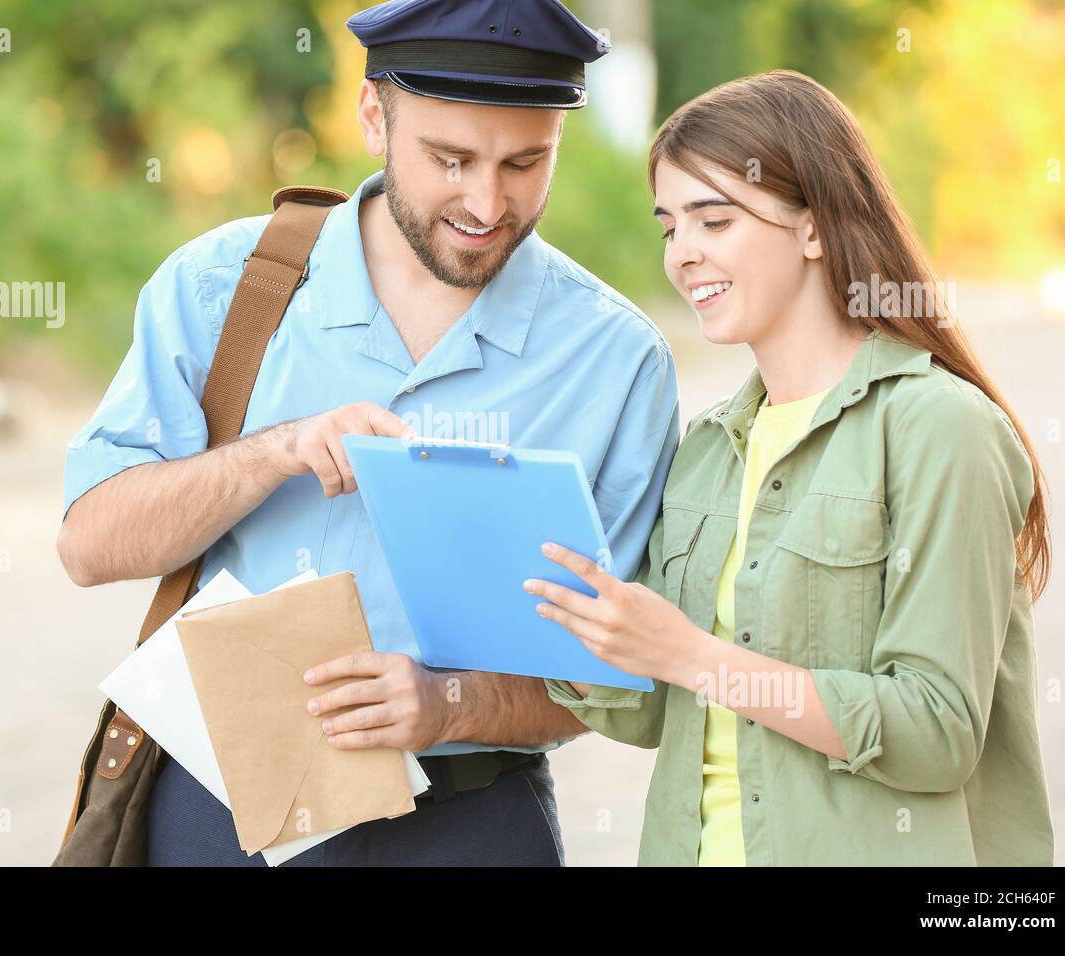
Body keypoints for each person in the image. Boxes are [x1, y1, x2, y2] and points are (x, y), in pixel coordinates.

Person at [57, 0, 679, 866]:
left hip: (473, 826)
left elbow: (619, 678)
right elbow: (90, 546)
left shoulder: (617, 362)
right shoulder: (219, 288)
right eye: (449, 159)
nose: (486, 201)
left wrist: (450, 703)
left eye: (525, 162)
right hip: (221, 813)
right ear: (372, 116)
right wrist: (274, 452)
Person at [531, 70, 1054, 866]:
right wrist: (557, 613)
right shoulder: (707, 447)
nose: (684, 255)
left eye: (714, 219)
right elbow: (646, 714)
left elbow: (935, 730)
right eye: (669, 227)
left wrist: (693, 654)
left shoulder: (939, 428)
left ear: (814, 227)